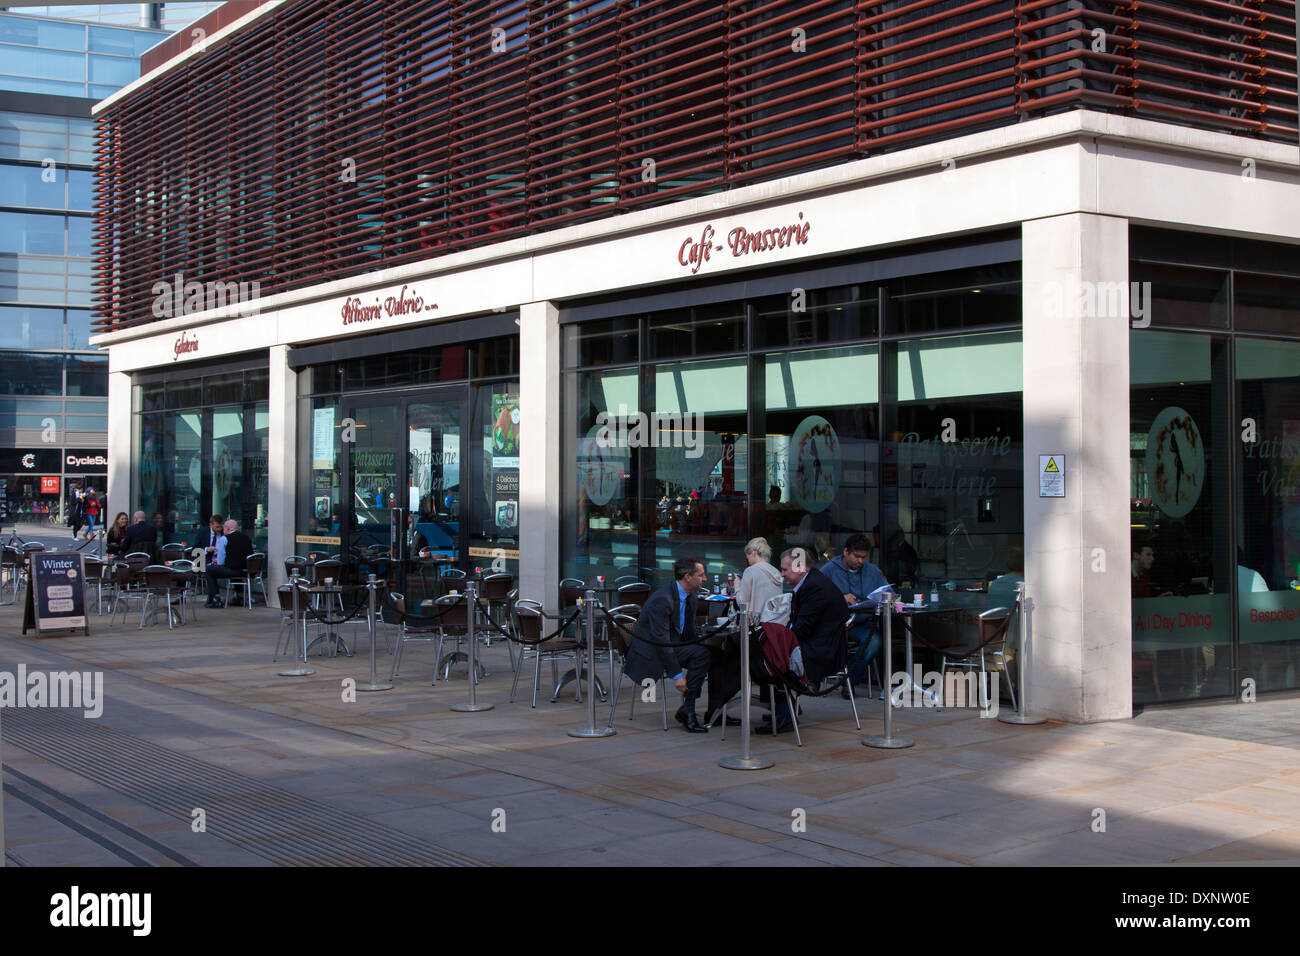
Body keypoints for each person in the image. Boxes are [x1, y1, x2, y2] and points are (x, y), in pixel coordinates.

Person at [624, 556, 734, 733]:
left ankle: (715, 711)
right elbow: (661, 642)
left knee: (719, 656)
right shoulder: (663, 599)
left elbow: (689, 635)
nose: (705, 579)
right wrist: (676, 675)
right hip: (653, 651)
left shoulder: (691, 598)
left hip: (674, 646)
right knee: (701, 655)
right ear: (688, 577)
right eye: (701, 575)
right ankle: (687, 709)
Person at [760, 547, 850, 733]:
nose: (782, 574)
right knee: (768, 652)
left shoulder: (814, 587)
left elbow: (802, 629)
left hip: (820, 652)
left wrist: (779, 636)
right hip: (820, 645)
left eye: (785, 570)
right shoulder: (812, 582)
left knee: (770, 660)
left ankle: (785, 714)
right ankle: (785, 708)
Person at [820, 533, 890, 695]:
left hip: (863, 624)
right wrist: (840, 598)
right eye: (856, 556)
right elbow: (814, 596)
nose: (860, 561)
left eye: (863, 557)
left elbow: (888, 592)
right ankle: (843, 679)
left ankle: (850, 681)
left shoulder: (872, 571)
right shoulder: (829, 570)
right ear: (846, 552)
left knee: (873, 642)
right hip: (836, 625)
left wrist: (886, 599)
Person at [734, 537, 783, 627]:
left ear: (753, 552)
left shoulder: (751, 571)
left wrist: (737, 585)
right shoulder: (776, 572)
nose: (747, 558)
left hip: (757, 625)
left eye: (747, 554)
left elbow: (742, 602)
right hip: (776, 624)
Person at [205, 519, 252, 608]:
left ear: (227, 528)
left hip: (233, 570)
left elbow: (221, 562)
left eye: (224, 528)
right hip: (247, 571)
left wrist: (217, 561)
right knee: (235, 567)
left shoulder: (224, 539)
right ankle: (239, 596)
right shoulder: (246, 537)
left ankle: (216, 598)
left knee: (209, 570)